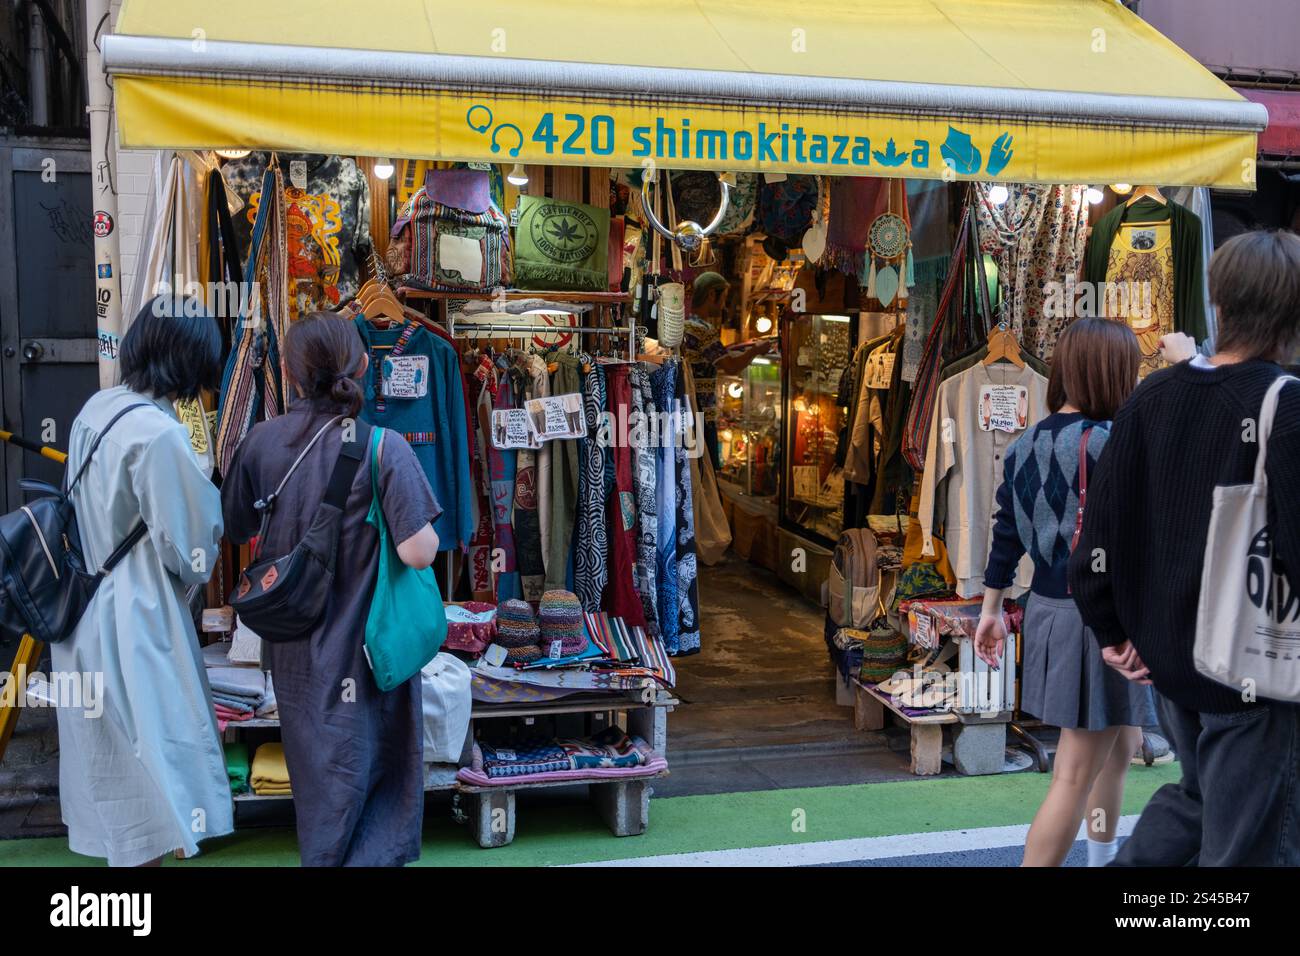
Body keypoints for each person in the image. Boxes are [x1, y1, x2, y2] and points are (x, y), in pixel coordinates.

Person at [1069, 230, 1300, 866]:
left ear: (1218, 304)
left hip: (1168, 659)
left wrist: (1112, 629)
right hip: (1254, 667)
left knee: (1200, 796)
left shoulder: (1152, 395)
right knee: (1251, 839)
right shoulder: (1286, 405)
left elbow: (1099, 533)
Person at [222, 312, 441, 866]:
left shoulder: (260, 442)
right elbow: (419, 551)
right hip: (369, 649)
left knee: (319, 771)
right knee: (376, 770)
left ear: (292, 375)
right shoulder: (382, 447)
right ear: (363, 366)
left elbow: (239, 528)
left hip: (294, 648)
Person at [55, 296, 229, 867]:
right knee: (156, 760)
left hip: (82, 606)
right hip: (137, 616)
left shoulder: (95, 409)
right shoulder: (160, 435)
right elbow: (191, 547)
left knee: (112, 767)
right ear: (188, 360)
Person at [977, 318, 1154, 867]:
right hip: (1101, 617)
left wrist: (990, 611)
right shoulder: (1110, 443)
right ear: (1113, 371)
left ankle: (1102, 861)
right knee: (1075, 770)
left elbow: (1005, 531)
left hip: (1051, 608)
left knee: (1120, 747)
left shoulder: (1026, 440)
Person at [682, 271, 771, 467]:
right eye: (723, 298)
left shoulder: (686, 325)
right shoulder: (703, 331)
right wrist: (756, 350)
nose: (724, 305)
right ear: (712, 294)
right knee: (707, 473)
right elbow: (732, 367)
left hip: (688, 411)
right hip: (702, 414)